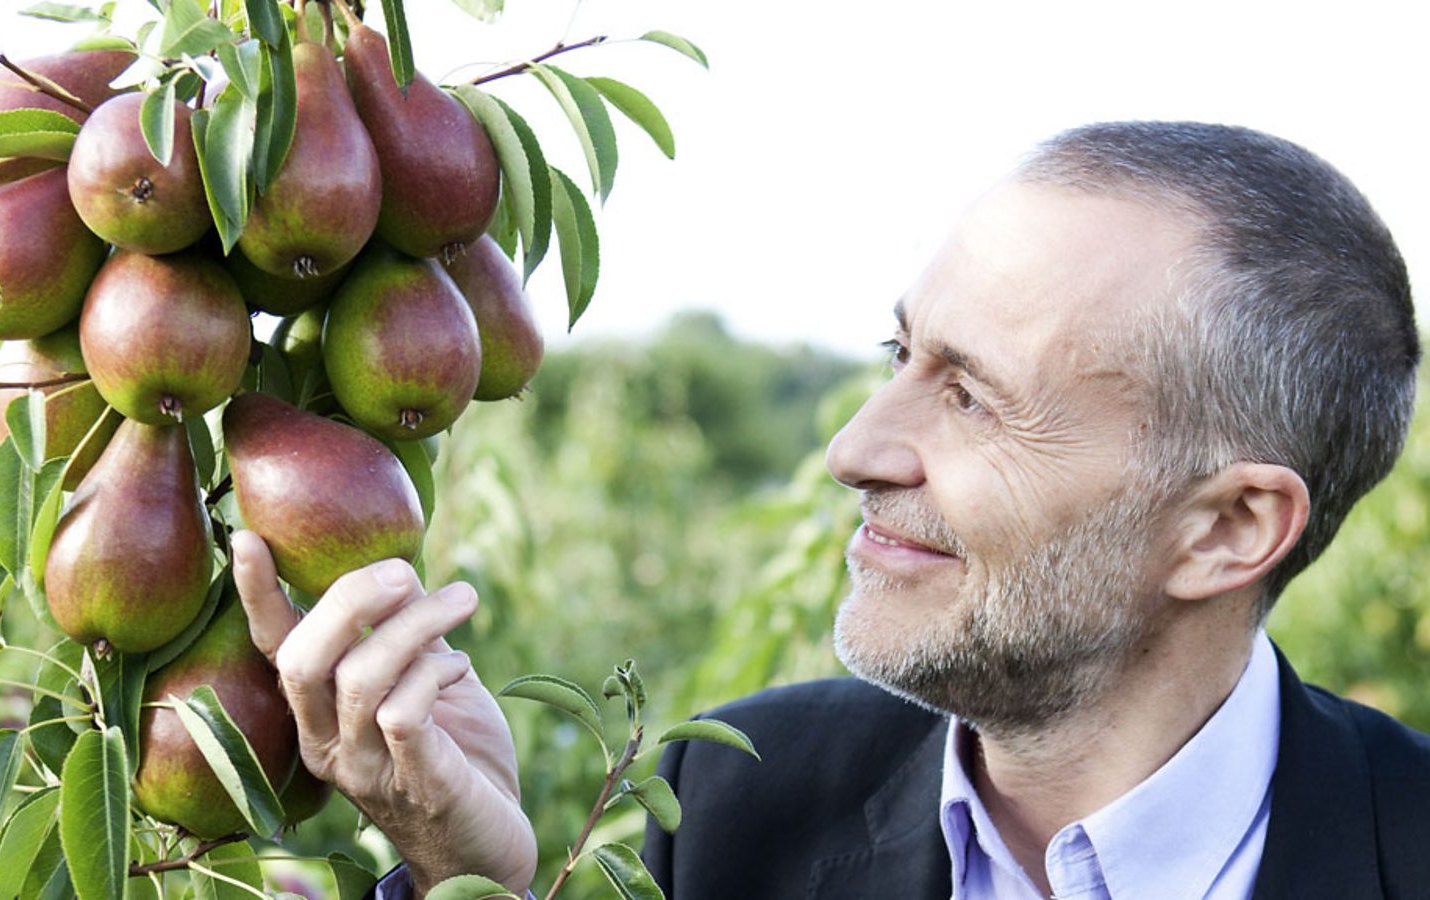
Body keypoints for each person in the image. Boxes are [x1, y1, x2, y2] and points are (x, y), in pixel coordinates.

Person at [230, 121, 1430, 900]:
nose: (853, 449)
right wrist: (462, 873)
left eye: (970, 398)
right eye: (897, 353)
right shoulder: (735, 805)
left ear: (1228, 528)